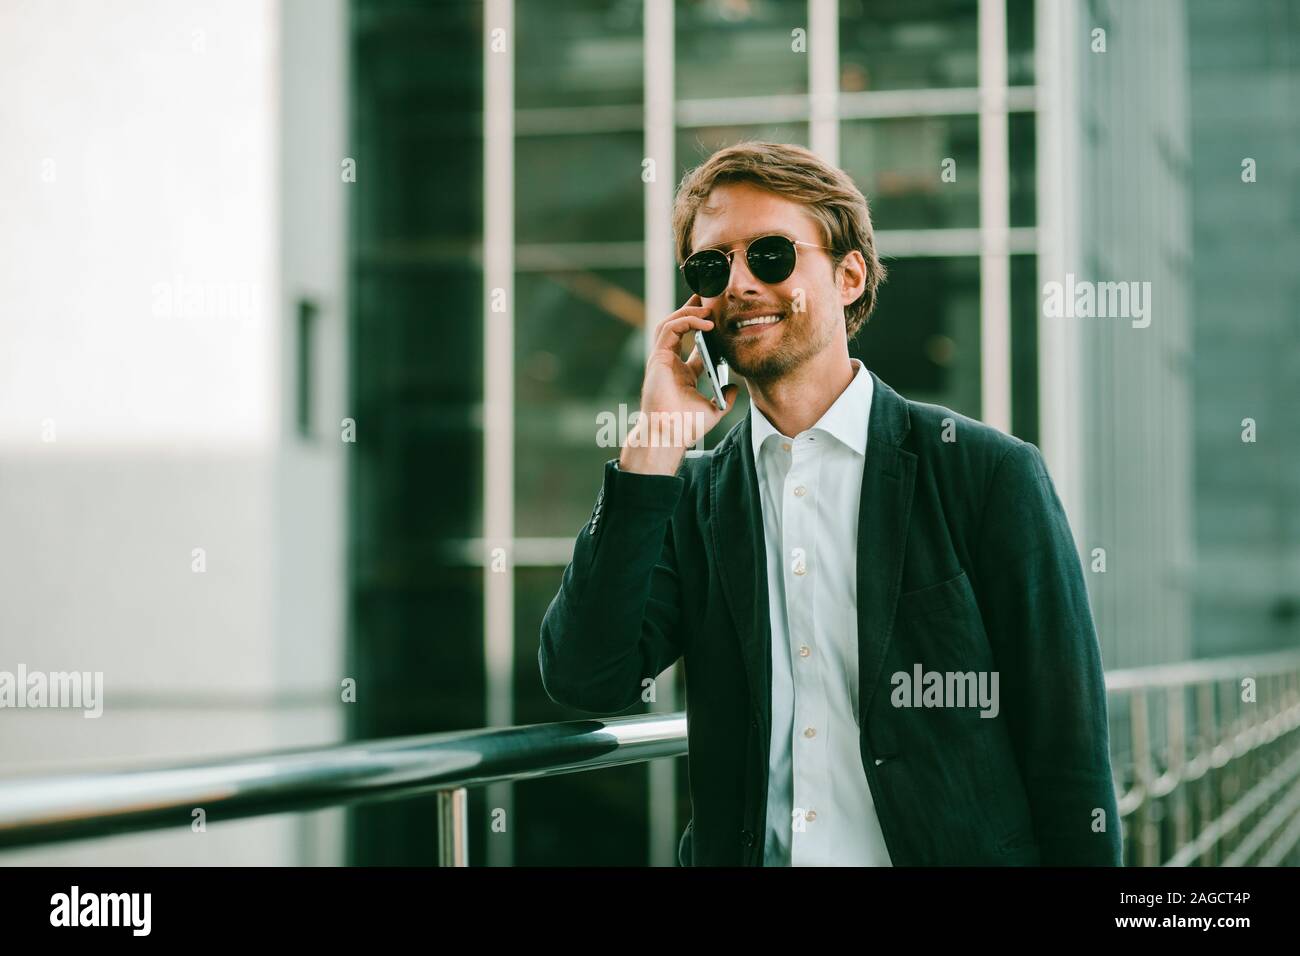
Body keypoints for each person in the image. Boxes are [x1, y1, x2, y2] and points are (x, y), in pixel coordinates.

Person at [539, 140, 1121, 867]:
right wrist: (654, 443)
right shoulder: (690, 500)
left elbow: (1067, 756)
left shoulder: (986, 475)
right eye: (713, 266)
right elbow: (585, 677)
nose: (742, 284)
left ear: (848, 276)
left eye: (773, 255)